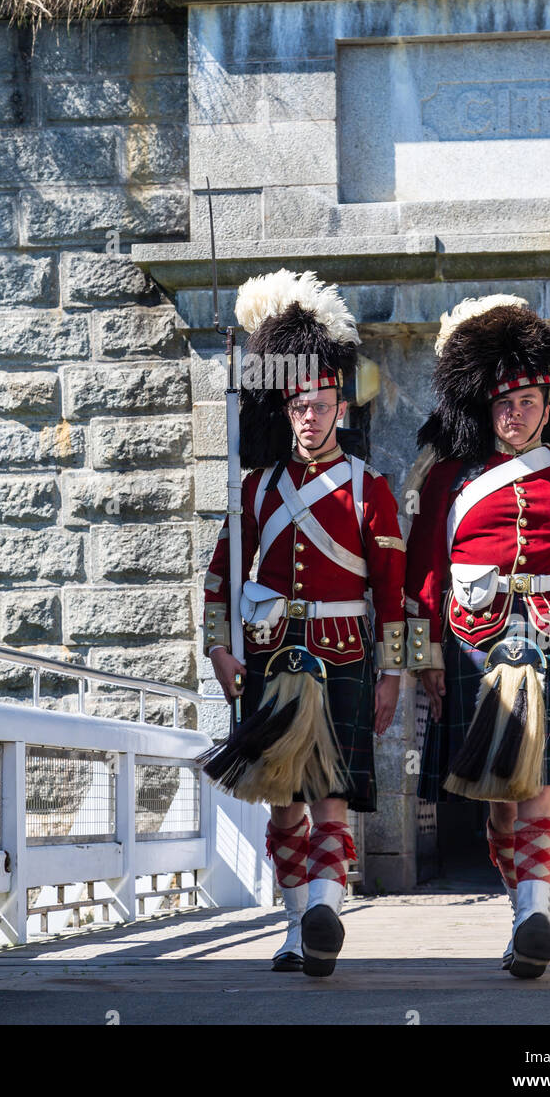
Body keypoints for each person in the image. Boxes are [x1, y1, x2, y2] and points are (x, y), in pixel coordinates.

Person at [405, 295, 550, 979]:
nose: (517, 414)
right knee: (504, 802)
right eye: (505, 403)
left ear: (547, 402)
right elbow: (425, 573)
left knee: (541, 790)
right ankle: (522, 909)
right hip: (476, 643)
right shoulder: (450, 479)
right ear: (488, 407)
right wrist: (424, 660)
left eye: (530, 401)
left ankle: (537, 915)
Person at [202, 269, 413, 976]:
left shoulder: (370, 490)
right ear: (287, 411)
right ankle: (297, 924)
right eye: (300, 408)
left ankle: (325, 908)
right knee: (283, 805)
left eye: (321, 407)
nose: (310, 419)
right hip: (268, 657)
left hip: (343, 656)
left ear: (339, 409)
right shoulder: (256, 488)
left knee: (329, 798)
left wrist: (392, 675)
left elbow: (394, 594)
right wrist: (217, 650)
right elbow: (221, 576)